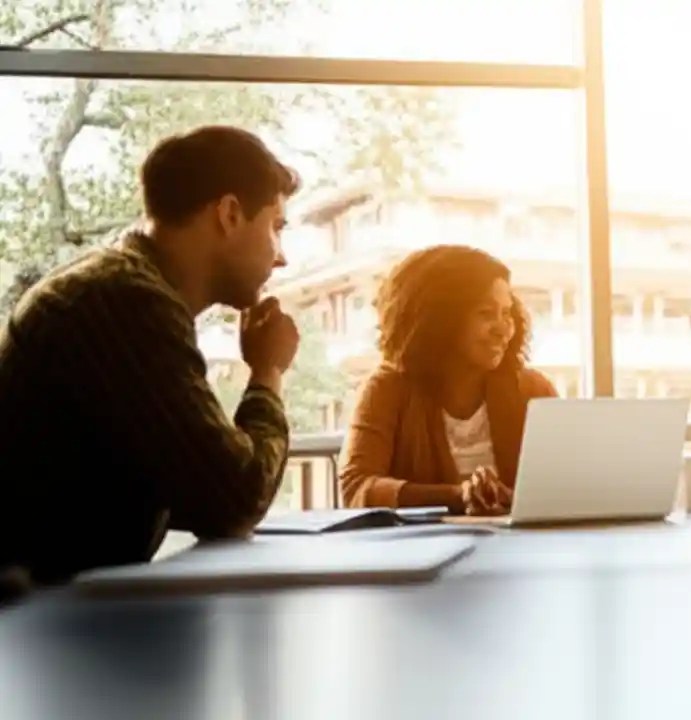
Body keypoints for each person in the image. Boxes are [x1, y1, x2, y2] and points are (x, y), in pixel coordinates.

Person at [0, 125, 301, 586]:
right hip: (33, 627)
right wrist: (268, 371)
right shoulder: (126, 301)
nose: (281, 258)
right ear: (230, 213)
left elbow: (193, 486)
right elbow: (234, 499)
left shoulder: (120, 288)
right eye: (276, 227)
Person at [340, 245, 557, 515]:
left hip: (518, 551)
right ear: (442, 320)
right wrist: (457, 496)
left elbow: (563, 486)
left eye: (506, 313)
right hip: (420, 554)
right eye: (486, 314)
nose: (503, 329)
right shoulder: (386, 389)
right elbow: (358, 488)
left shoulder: (533, 390)